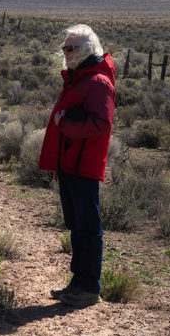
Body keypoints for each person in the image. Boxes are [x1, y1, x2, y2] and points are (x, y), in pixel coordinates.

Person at [38, 24, 116, 308]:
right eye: (64, 48)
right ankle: (78, 282)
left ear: (87, 50)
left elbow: (101, 123)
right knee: (77, 226)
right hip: (70, 164)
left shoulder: (96, 82)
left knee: (87, 227)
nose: (65, 53)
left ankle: (89, 287)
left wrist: (65, 125)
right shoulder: (79, 79)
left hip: (83, 166)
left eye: (70, 48)